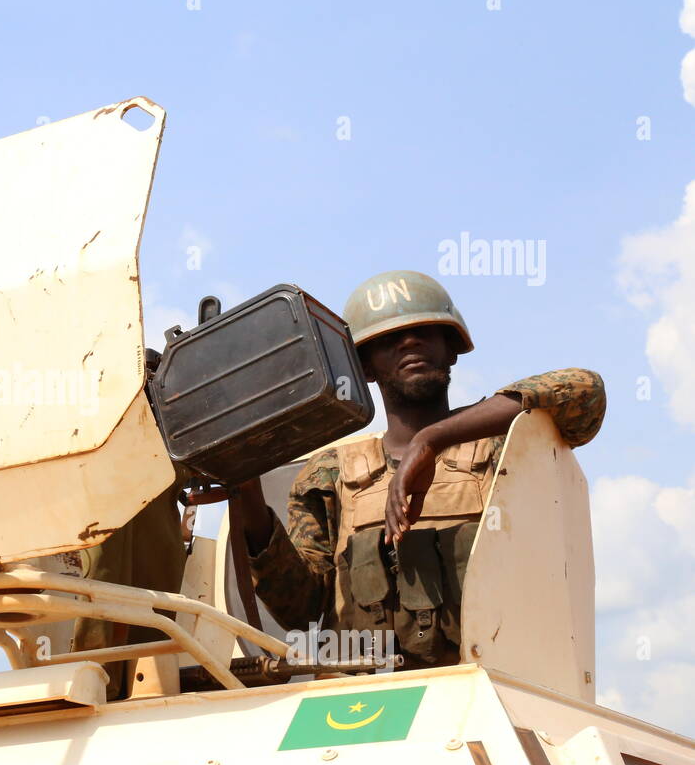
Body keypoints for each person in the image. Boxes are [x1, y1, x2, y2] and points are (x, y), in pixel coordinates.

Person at [235, 270, 605, 669]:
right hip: (362, 702)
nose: (409, 342)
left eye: (424, 332)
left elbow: (585, 391)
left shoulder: (505, 444)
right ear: (367, 367)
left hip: (484, 685)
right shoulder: (329, 472)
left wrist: (431, 441)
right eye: (388, 340)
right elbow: (302, 608)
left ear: (451, 349)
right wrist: (247, 494)